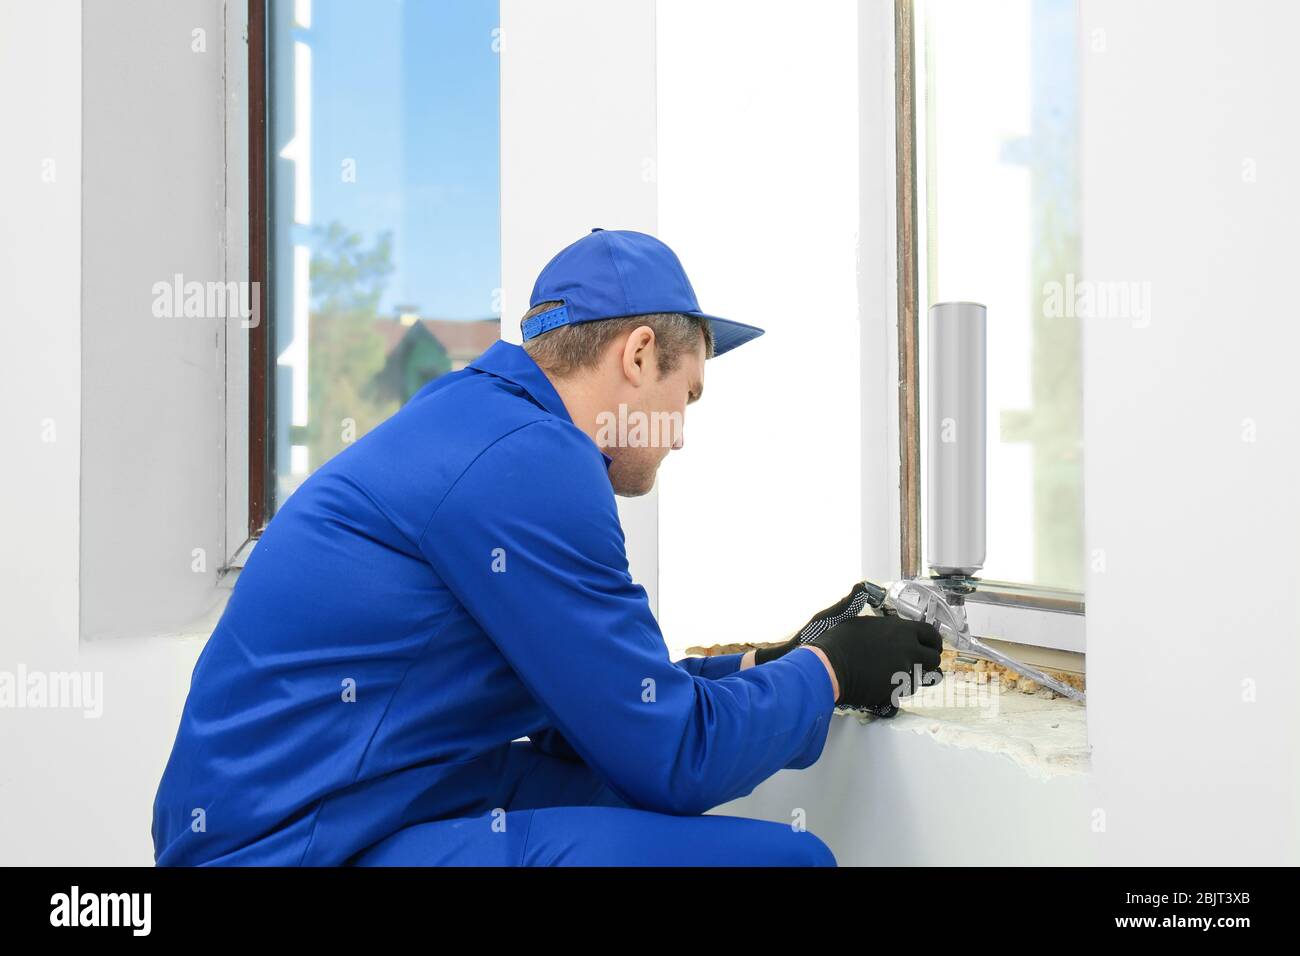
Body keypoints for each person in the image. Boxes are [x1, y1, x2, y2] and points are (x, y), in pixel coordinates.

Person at [152, 228, 943, 867]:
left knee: (598, 785)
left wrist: (775, 661)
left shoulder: (481, 422)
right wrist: (829, 672)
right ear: (637, 356)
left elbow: (597, 711)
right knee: (788, 865)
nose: (682, 433)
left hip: (344, 803)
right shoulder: (531, 462)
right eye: (687, 394)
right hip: (290, 850)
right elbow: (672, 756)